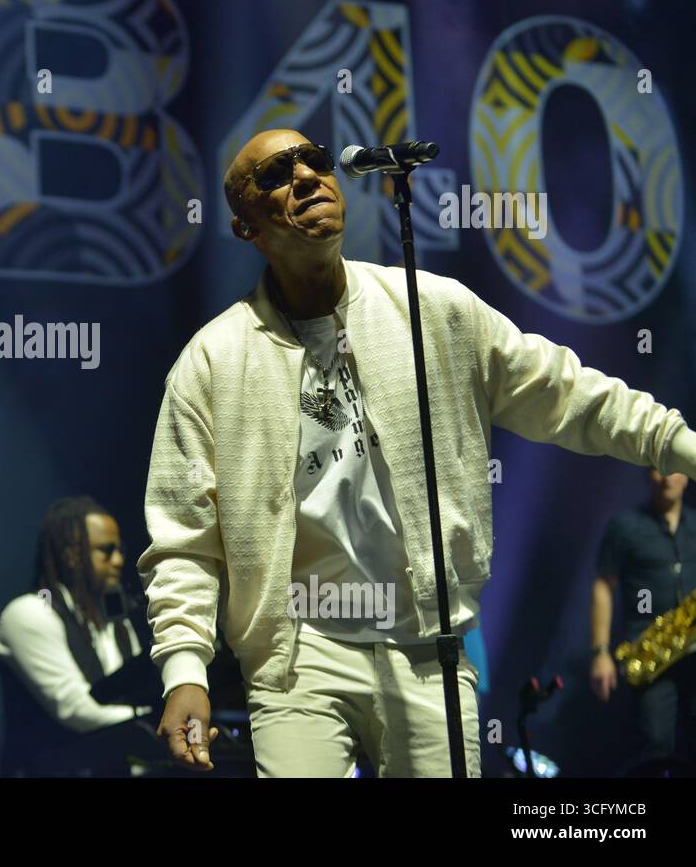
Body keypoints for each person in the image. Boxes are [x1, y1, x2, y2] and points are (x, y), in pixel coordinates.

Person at [139, 128, 696, 777]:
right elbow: (184, 540)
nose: (306, 177)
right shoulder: (213, 362)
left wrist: (682, 446)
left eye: (314, 161)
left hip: (428, 645)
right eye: (275, 175)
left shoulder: (431, 309)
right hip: (298, 656)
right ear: (245, 225)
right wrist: (185, 669)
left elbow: (566, 393)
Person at [0, 496, 156, 776]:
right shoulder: (30, 613)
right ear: (71, 555)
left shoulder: (114, 620)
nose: (119, 560)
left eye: (120, 549)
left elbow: (129, 691)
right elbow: (77, 710)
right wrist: (157, 719)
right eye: (106, 550)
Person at [590, 468, 696, 767]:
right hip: (649, 656)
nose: (667, 477)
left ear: (687, 475)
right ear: (647, 474)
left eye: (675, 469)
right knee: (656, 749)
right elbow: (603, 586)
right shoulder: (624, 527)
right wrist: (600, 652)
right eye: (659, 468)